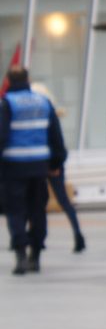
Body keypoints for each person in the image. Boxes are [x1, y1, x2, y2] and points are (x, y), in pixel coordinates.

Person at [0, 67, 65, 274]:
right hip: (39, 167)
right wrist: (56, 163)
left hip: (13, 167)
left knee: (16, 211)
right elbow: (55, 135)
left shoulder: (7, 104)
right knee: (38, 210)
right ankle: (35, 255)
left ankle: (20, 254)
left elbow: (1, 137)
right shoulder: (43, 102)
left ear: (8, 81)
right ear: (28, 79)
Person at [31, 80, 84, 253]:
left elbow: (56, 143)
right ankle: (75, 235)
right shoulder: (48, 113)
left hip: (45, 163)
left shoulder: (43, 116)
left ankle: (75, 235)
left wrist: (55, 164)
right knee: (55, 200)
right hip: (51, 162)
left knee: (40, 201)